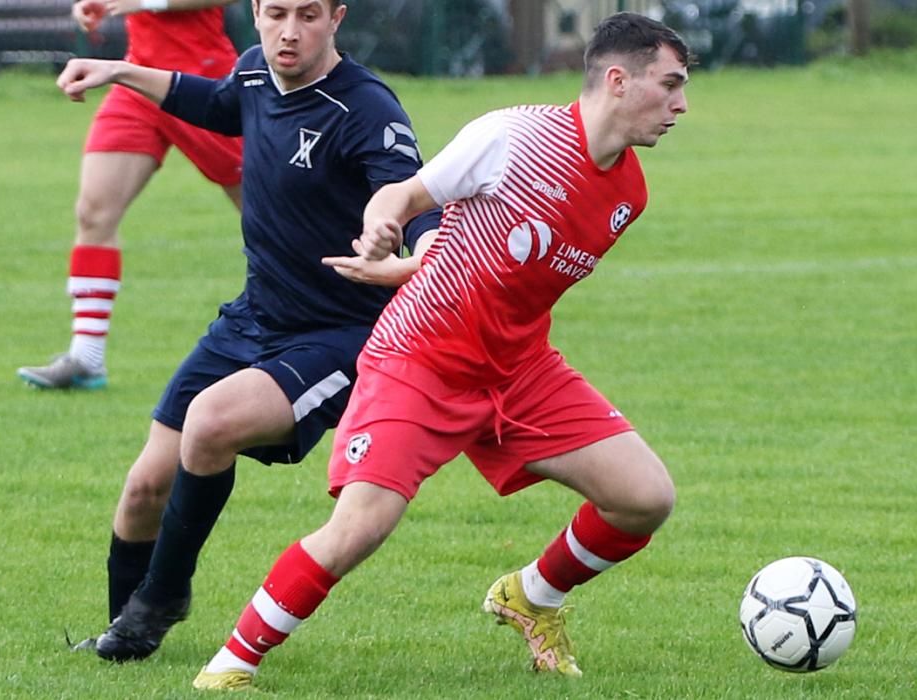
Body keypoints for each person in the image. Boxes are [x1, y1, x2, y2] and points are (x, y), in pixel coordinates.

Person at [189, 12, 690, 690]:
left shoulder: (629, 194)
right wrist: (381, 229)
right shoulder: (515, 137)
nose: (680, 106)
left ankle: (532, 598)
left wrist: (407, 270)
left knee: (645, 497)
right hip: (420, 360)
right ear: (618, 80)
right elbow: (404, 192)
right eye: (671, 86)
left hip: (516, 370)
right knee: (359, 528)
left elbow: (500, 267)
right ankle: (229, 667)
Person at [52, 0, 441, 662]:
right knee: (146, 486)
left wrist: (411, 260)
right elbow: (212, 102)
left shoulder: (366, 107)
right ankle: (125, 633)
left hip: (342, 333)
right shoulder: (257, 72)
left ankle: (162, 601)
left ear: (337, 18)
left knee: (210, 424)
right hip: (255, 316)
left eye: (309, 15)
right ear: (256, 13)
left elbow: (419, 201)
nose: (291, 31)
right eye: (278, 13)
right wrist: (121, 70)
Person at [17, 0, 245, 390]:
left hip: (203, 80)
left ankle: (347, 324)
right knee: (93, 213)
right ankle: (86, 358)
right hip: (137, 80)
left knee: (273, 216)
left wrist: (146, 2)